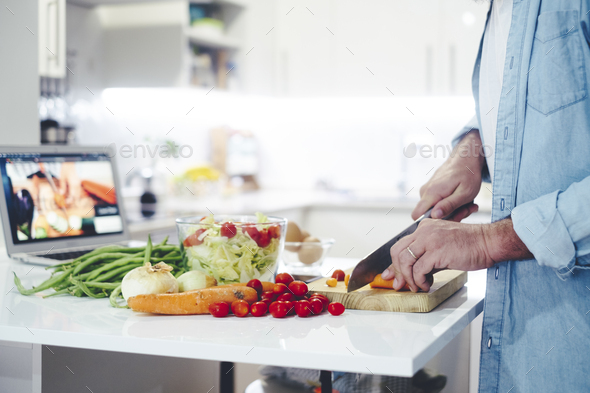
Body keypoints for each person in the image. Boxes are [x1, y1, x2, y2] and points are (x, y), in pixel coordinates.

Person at [381, 0, 590, 391]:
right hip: (522, 357)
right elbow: (517, 106)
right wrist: (472, 148)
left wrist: (488, 241)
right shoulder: (501, 10)